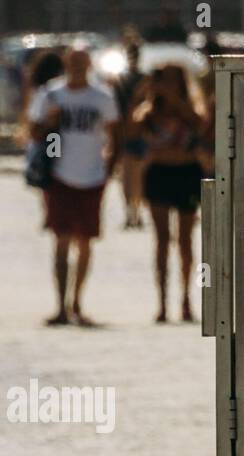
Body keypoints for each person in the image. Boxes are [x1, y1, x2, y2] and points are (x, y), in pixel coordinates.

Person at [28, 46, 120, 327]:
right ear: (66, 63)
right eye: (73, 61)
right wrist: (49, 122)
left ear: (89, 63)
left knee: (85, 241)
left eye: (82, 61)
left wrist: (108, 170)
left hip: (92, 176)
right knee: (61, 239)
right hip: (59, 176)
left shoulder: (101, 97)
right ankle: (61, 305)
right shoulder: (51, 94)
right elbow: (32, 132)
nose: (78, 66)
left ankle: (77, 301)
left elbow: (115, 135)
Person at [130, 64, 206, 322]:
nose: (169, 85)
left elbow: (202, 123)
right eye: (165, 81)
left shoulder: (190, 110)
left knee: (185, 240)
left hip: (186, 175)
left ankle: (185, 298)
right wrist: (147, 92)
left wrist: (176, 100)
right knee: (162, 240)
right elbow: (132, 127)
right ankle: (162, 302)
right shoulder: (150, 112)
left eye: (174, 81)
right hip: (159, 176)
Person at [115, 39, 147, 228]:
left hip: (136, 132)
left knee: (133, 177)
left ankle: (134, 212)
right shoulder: (122, 79)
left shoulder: (141, 79)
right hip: (128, 132)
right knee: (131, 177)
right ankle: (132, 211)